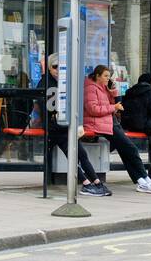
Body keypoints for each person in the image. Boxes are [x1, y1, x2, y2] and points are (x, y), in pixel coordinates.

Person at [84, 65, 151, 193]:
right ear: (97, 76)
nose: (108, 79)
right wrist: (114, 108)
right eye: (105, 76)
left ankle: (142, 179)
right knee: (130, 148)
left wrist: (113, 91)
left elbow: (114, 102)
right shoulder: (90, 88)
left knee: (126, 150)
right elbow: (93, 109)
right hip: (100, 123)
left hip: (108, 122)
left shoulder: (102, 87)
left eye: (109, 76)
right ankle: (144, 178)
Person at [45, 54, 108, 197]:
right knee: (73, 154)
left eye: (61, 67)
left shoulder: (64, 83)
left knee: (81, 154)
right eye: (55, 67)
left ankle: (96, 182)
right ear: (49, 68)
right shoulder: (47, 83)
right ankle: (86, 183)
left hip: (64, 126)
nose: (58, 70)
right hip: (55, 128)